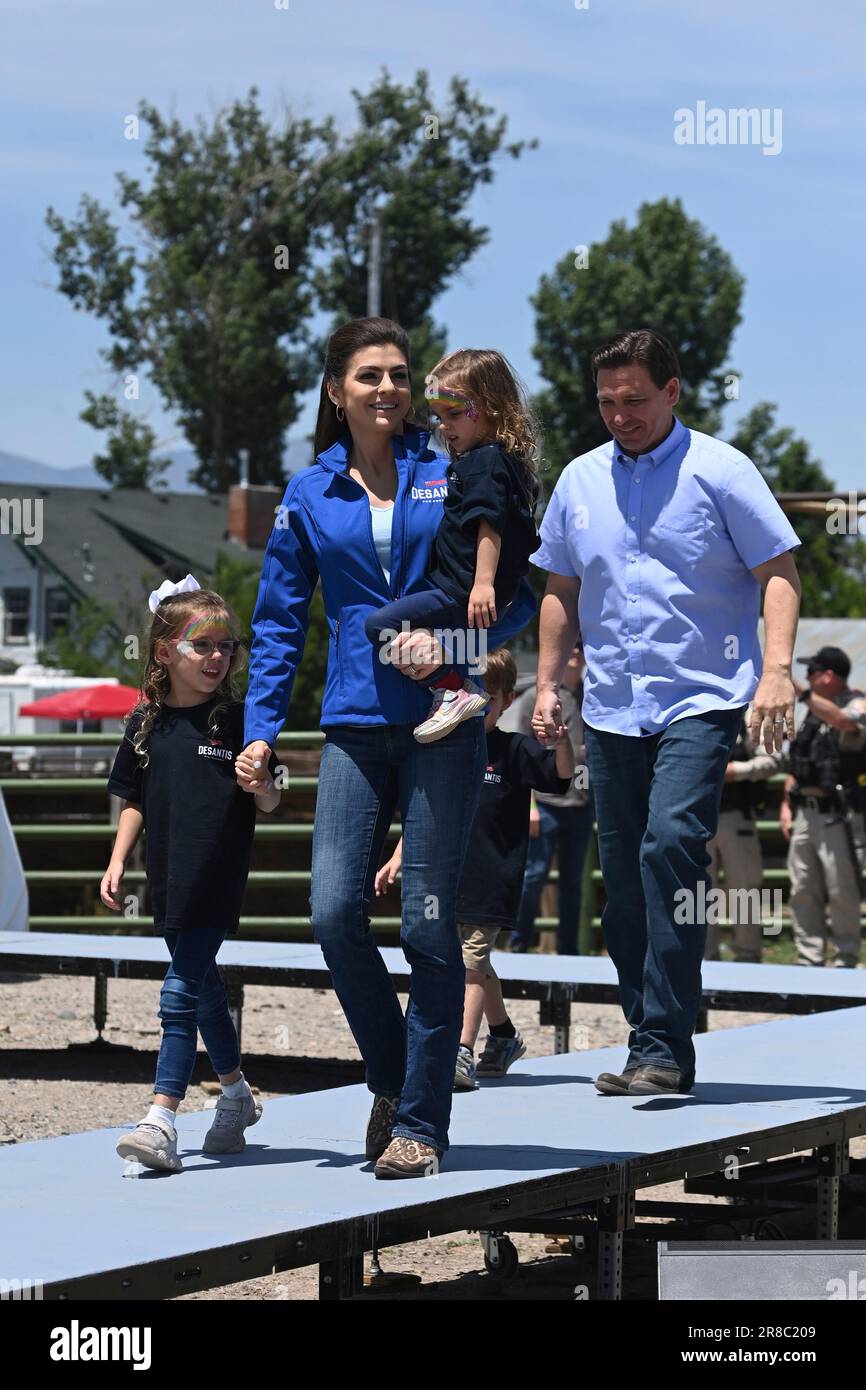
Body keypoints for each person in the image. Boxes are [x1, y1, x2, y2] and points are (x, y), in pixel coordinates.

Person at [238, 318, 536, 1178]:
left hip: (446, 725)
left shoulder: (455, 460)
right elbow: (279, 621)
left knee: (428, 926)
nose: (389, 389)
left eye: (401, 375)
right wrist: (259, 731)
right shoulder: (307, 493)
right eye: (370, 375)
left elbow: (517, 583)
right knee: (333, 912)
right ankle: (396, 1073)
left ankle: (421, 1126)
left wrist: (453, 652)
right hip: (355, 725)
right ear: (338, 391)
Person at [530, 328, 801, 1096]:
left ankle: (661, 1044)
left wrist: (776, 672)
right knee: (622, 889)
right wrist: (549, 684)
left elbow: (778, 572)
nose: (622, 415)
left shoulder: (721, 470)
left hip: (703, 697)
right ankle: (655, 1035)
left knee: (671, 846)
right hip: (613, 706)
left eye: (636, 400)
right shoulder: (580, 482)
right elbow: (560, 589)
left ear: (673, 392)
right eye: (608, 402)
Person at [102, 575, 281, 1173]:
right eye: (201, 645)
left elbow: (274, 797)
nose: (216, 657)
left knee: (178, 993)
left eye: (226, 646)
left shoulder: (237, 721)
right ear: (163, 652)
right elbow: (133, 797)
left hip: (216, 878)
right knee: (203, 992)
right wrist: (118, 858)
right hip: (168, 879)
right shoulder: (145, 722)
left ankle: (161, 1119)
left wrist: (261, 783)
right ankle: (235, 1096)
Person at [374, 648, 573, 1090]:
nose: (478, 700)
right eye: (470, 689)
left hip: (493, 877)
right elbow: (423, 810)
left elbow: (561, 778)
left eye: (489, 695)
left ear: (506, 701)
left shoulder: (514, 749)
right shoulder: (442, 748)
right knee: (472, 963)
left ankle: (459, 1052)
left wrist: (561, 741)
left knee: (469, 962)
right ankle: (503, 1035)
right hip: (446, 875)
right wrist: (399, 855)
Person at [363, 349, 542, 744]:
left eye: (455, 414)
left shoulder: (484, 462)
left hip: (460, 590)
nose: (445, 427)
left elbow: (488, 523)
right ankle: (455, 682)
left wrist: (482, 584)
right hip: (463, 588)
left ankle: (452, 688)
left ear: (492, 408)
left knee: (380, 626)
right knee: (422, 637)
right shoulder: (501, 460)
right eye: (439, 417)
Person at [781, 645, 866, 968]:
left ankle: (845, 960)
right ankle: (809, 960)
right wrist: (787, 803)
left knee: (842, 891)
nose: (807, 677)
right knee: (803, 889)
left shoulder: (853, 702)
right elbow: (799, 762)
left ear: (829, 675)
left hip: (839, 815)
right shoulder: (812, 711)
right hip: (806, 812)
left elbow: (846, 723)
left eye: (813, 671)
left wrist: (803, 696)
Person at [510, 641, 592, 954]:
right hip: (544, 804)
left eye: (581, 646)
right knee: (533, 878)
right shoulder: (536, 697)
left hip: (582, 805)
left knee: (573, 885)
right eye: (569, 645)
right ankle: (518, 947)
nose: (575, 651)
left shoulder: (594, 695)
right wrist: (528, 805)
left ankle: (569, 955)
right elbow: (521, 758)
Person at [704, 713, 783, 963]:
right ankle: (702, 961)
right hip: (698, 818)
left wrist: (735, 771)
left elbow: (773, 761)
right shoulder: (693, 708)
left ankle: (748, 960)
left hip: (736, 817)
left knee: (744, 891)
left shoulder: (748, 714)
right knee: (697, 893)